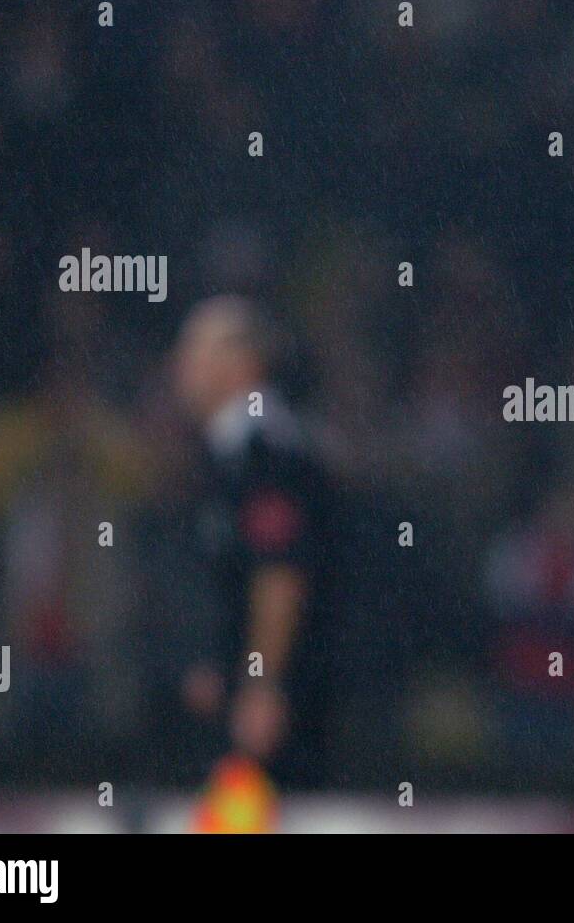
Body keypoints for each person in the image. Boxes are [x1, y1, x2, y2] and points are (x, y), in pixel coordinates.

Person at [172, 294, 341, 792]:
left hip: (262, 716)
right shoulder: (224, 452)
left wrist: (261, 685)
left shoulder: (268, 453)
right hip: (227, 701)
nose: (179, 366)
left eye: (195, 351)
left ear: (242, 363)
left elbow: (279, 573)